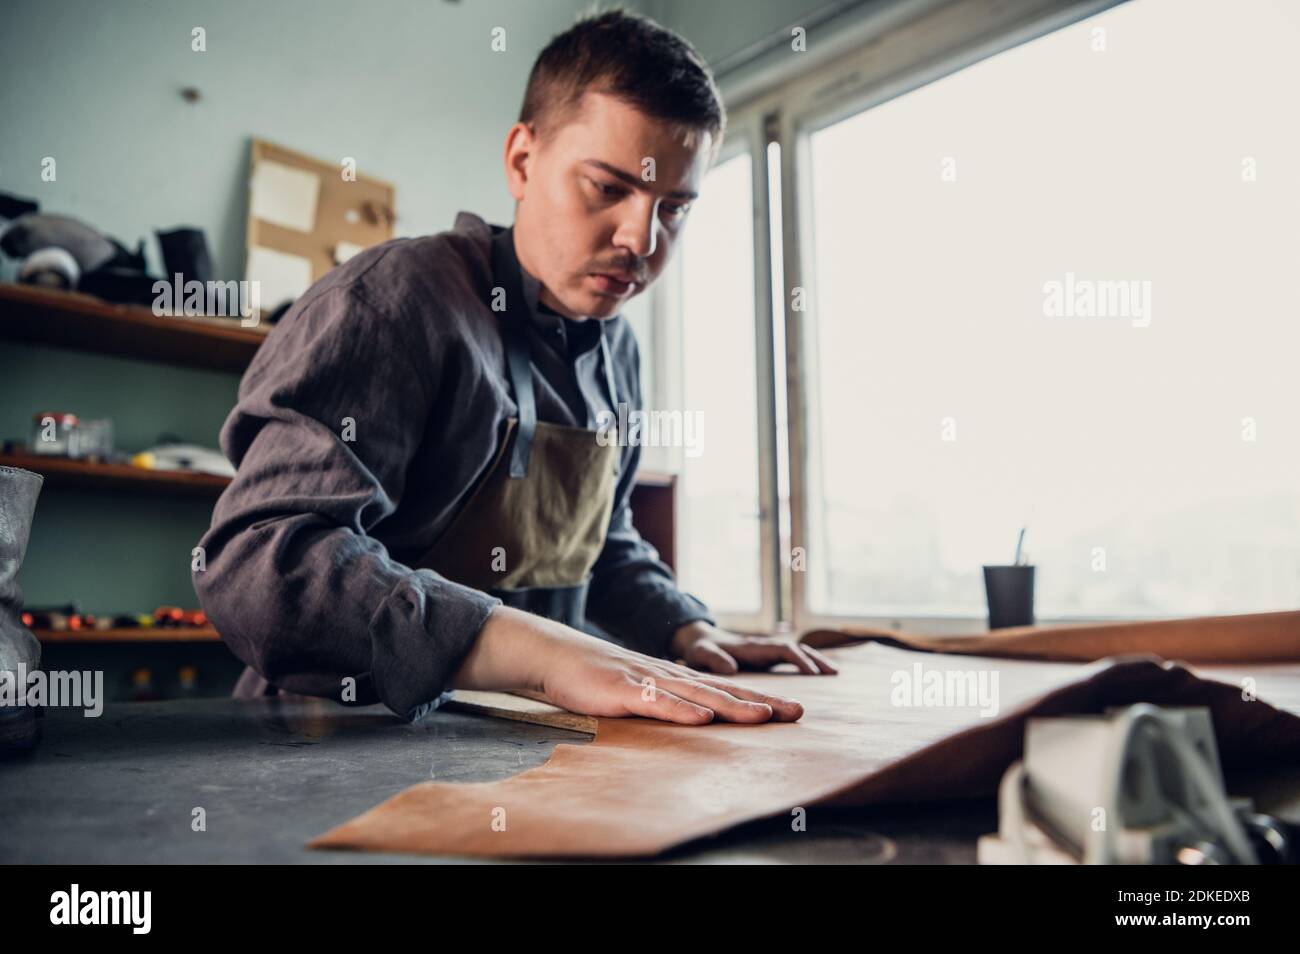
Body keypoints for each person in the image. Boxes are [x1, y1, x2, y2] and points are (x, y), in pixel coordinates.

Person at [194, 9, 836, 727]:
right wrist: (537, 652)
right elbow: (262, 566)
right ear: (523, 161)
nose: (641, 239)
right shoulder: (392, 302)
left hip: (518, 749)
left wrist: (686, 629)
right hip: (330, 743)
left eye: (675, 209)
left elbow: (600, 543)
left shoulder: (615, 348)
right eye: (608, 188)